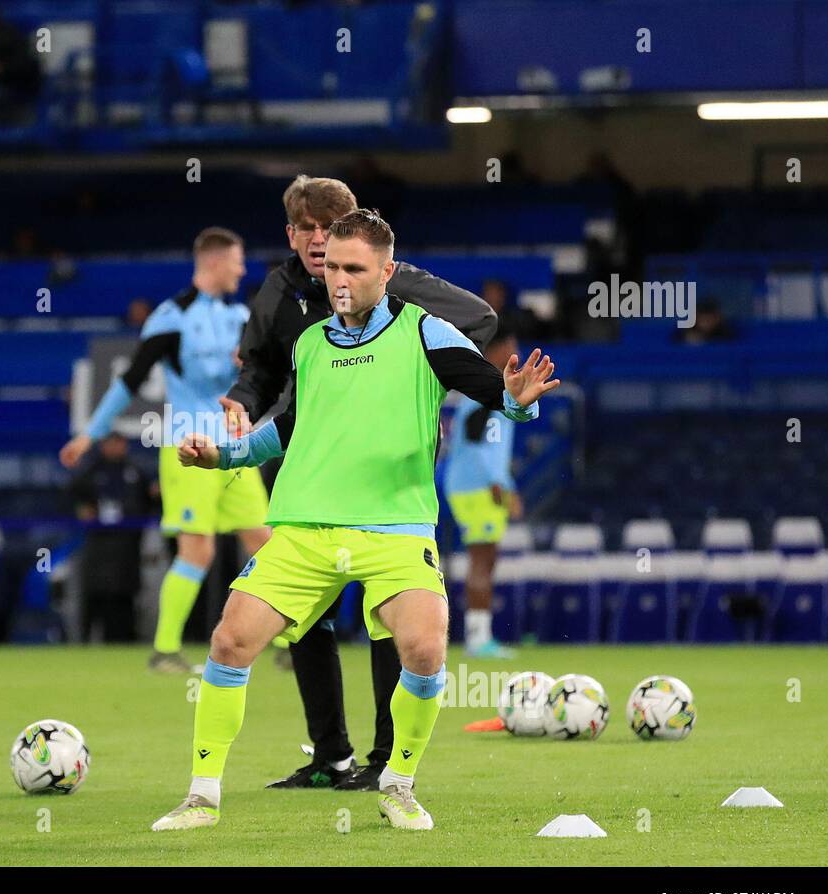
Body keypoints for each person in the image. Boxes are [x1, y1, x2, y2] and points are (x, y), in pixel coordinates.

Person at [151, 209, 558, 832]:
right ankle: (202, 796)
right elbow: (289, 430)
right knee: (230, 641)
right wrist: (225, 454)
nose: (339, 279)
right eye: (332, 267)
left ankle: (398, 781)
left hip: (394, 530)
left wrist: (514, 402)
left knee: (424, 648)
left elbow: (483, 384)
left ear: (386, 272)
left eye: (354, 268)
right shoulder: (310, 344)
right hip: (307, 530)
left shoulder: (428, 333)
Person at [220, 174, 498, 792]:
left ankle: (382, 760)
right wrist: (241, 403)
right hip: (307, 463)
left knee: (388, 613)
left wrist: (416, 378)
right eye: (307, 230)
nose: (320, 244)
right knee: (302, 618)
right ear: (291, 235)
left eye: (331, 229)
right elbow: (261, 368)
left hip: (384, 476)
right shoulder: (281, 291)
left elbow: (478, 322)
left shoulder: (396, 285)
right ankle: (330, 756)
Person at [60, 228, 271, 674]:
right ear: (214, 263)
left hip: (236, 446)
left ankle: (291, 643)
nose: (242, 269)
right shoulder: (172, 317)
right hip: (188, 445)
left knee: (264, 543)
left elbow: (263, 372)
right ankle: (165, 650)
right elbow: (131, 379)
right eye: (236, 261)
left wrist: (251, 364)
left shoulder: (239, 316)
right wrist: (91, 435)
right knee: (199, 551)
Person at [442, 318, 524, 658]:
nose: (516, 353)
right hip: (478, 486)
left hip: (469, 484)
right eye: (512, 347)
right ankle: (478, 639)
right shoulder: (488, 394)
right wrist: (502, 486)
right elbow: (486, 448)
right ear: (497, 350)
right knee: (481, 558)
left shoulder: (479, 394)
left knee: (486, 559)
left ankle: (480, 634)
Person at [69, 432, 159, 643]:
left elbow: (152, 499)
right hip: (97, 544)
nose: (114, 447)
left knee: (124, 596)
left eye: (118, 443)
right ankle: (85, 641)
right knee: (95, 594)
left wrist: (156, 496)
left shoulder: (136, 470)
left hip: (128, 545)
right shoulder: (91, 470)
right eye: (109, 443)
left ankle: (125, 639)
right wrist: (81, 508)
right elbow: (72, 495)